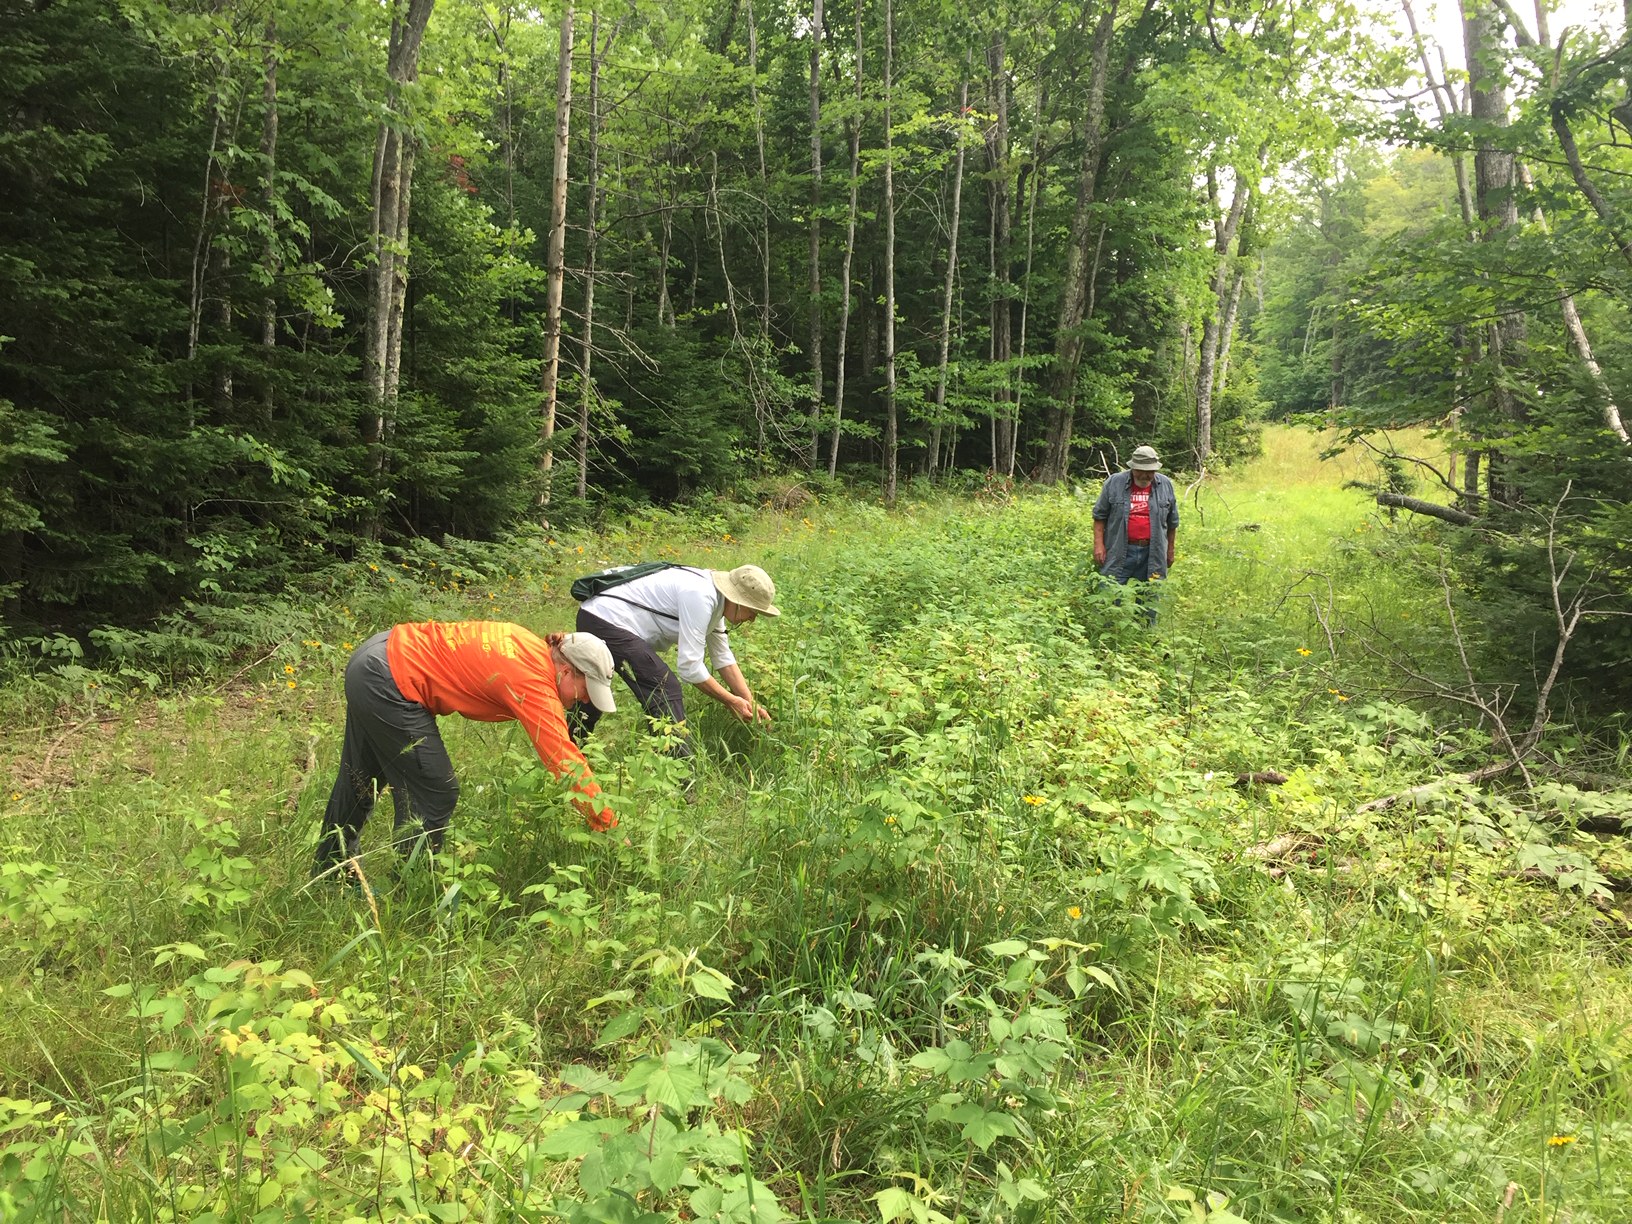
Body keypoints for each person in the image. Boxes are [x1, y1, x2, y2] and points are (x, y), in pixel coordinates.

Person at [312, 622, 619, 879]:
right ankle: (412, 887)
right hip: (389, 679)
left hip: (376, 656)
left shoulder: (529, 644)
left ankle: (331, 871)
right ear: (566, 671)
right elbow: (564, 761)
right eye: (586, 691)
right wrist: (608, 825)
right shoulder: (533, 683)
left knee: (361, 776)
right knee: (435, 791)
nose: (585, 701)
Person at [573, 563, 779, 759]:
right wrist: (730, 701)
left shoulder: (717, 601)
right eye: (752, 611)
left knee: (592, 689)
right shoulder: (701, 596)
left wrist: (749, 703)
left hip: (601, 617)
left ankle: (571, 750)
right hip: (604, 619)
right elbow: (690, 667)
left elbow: (722, 656)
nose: (752, 619)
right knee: (664, 687)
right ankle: (677, 770)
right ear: (737, 600)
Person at [1092, 444, 1179, 624]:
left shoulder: (1165, 485)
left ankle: (1145, 635)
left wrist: (1170, 550)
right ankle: (1108, 632)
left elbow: (1172, 523)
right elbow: (1099, 516)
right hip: (1118, 549)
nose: (1145, 475)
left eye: (1150, 472)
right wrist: (1099, 545)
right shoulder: (1114, 483)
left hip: (1153, 552)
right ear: (1132, 467)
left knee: (1150, 599)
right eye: (1141, 471)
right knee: (1109, 594)